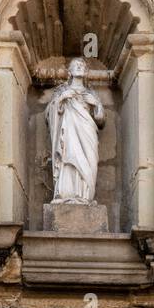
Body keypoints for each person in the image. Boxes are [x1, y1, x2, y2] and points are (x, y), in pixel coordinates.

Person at [46, 57, 106, 205]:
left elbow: (101, 120)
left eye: (82, 65)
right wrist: (60, 100)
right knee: (69, 155)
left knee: (89, 160)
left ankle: (85, 195)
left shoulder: (91, 93)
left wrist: (96, 105)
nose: (79, 67)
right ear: (70, 71)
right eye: (76, 65)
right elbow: (48, 115)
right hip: (69, 132)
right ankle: (67, 193)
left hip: (87, 131)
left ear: (86, 71)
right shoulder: (62, 91)